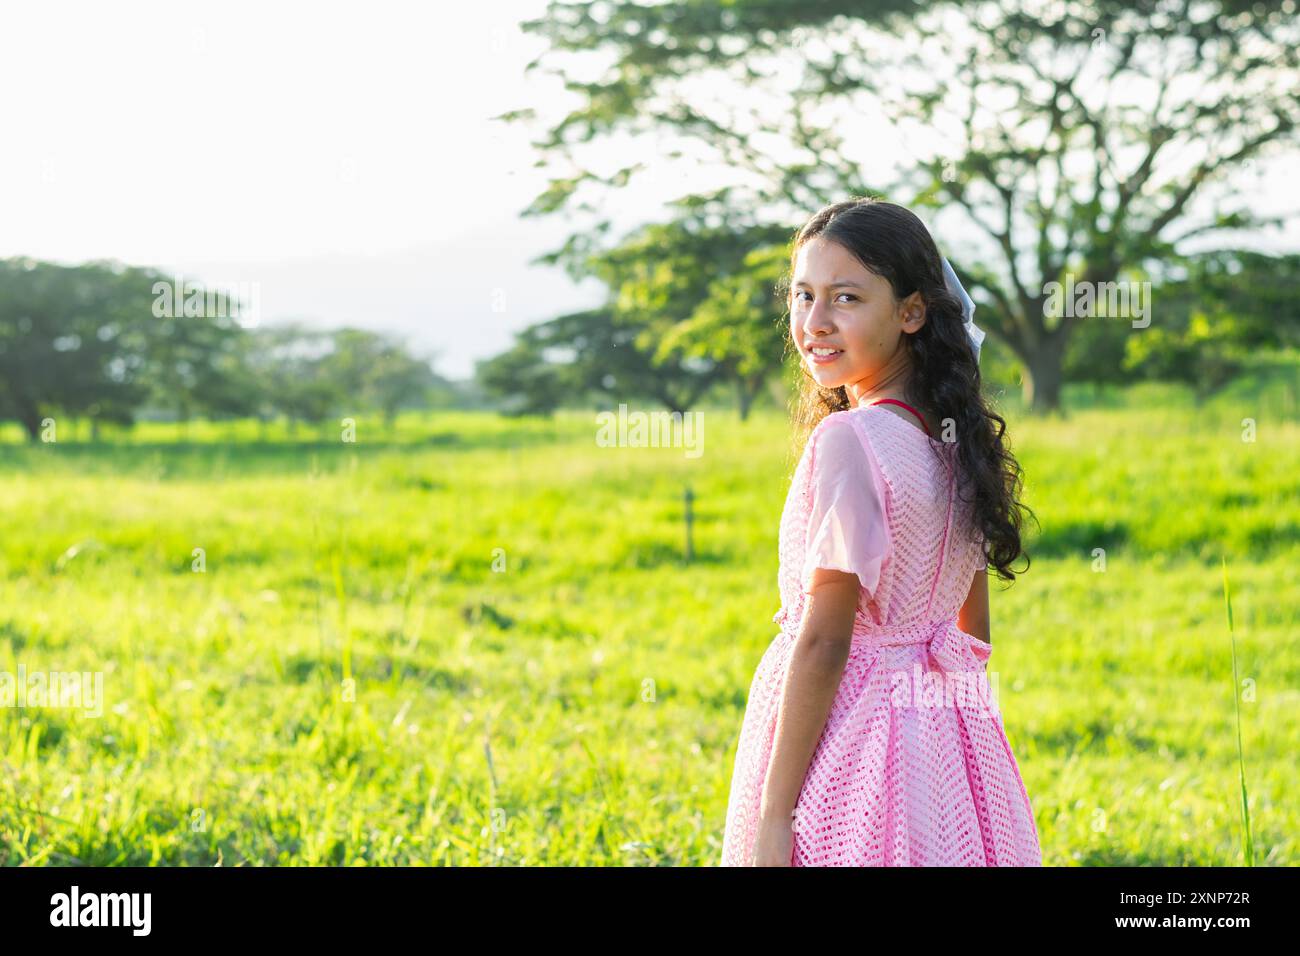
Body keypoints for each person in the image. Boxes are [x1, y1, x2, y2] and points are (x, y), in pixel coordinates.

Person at [719, 197, 1043, 867]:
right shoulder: (958, 444)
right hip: (947, 736)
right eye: (803, 296)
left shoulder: (852, 438)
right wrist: (949, 750)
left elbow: (825, 639)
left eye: (845, 298)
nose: (814, 323)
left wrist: (776, 817)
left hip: (851, 739)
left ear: (911, 311)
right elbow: (972, 634)